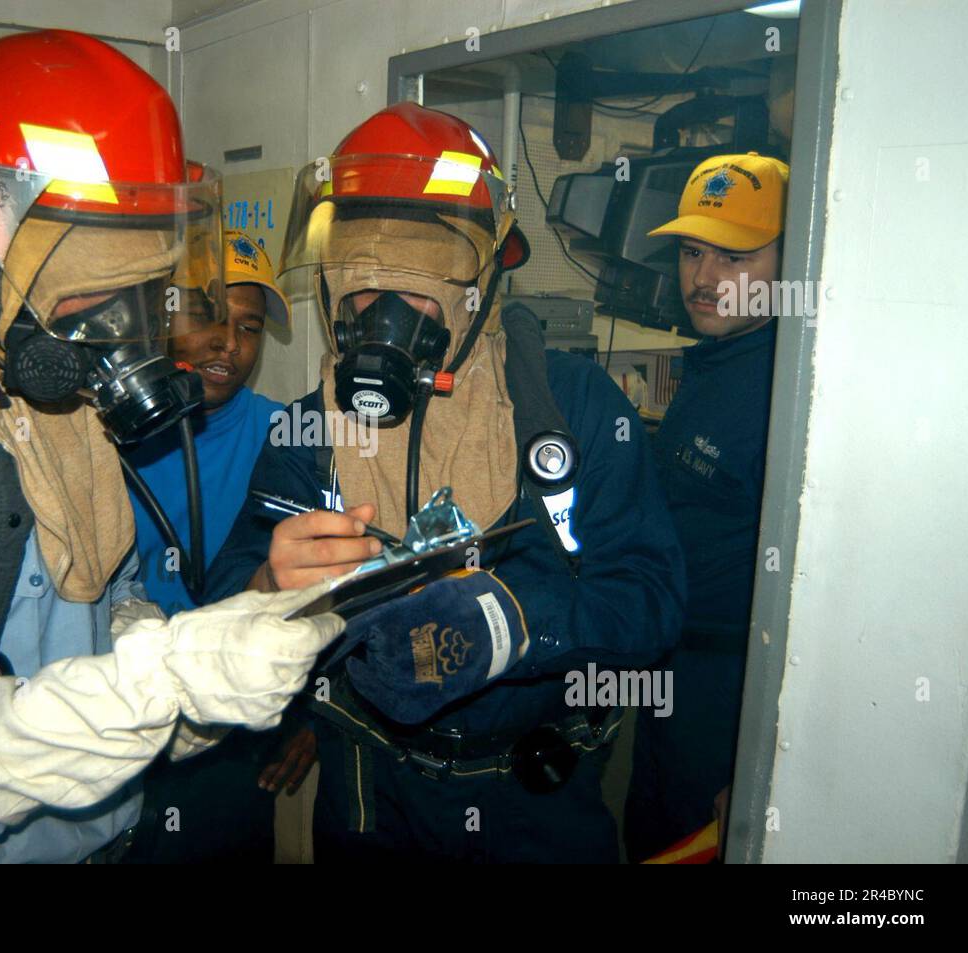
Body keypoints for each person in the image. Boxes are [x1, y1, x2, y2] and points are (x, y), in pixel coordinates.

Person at [0, 29, 341, 864]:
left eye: (145, 293)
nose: (129, 332)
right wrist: (162, 677)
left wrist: (209, 648)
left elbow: (109, 613)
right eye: (97, 294)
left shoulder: (61, 412)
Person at [205, 102, 686, 863]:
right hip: (370, 792)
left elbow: (653, 600)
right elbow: (224, 599)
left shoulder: (572, 406)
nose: (382, 312)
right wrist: (266, 586)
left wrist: (517, 622)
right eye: (361, 282)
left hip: (534, 799)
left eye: (419, 281)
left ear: (481, 285)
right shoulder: (306, 432)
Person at [122, 229, 311, 862]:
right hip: (116, 713)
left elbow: (325, 585)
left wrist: (314, 715)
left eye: (250, 326)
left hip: (231, 731)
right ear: (160, 313)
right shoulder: (101, 428)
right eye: (206, 315)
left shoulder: (287, 436)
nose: (229, 343)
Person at [624, 151, 789, 862]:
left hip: (732, 695)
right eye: (692, 251)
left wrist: (751, 761)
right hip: (672, 676)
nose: (703, 278)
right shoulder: (714, 361)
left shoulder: (794, 387)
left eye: (734, 257)